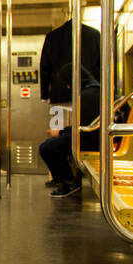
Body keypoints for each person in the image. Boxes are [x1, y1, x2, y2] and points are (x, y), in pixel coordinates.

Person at [37, 18, 101, 198]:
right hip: (87, 91)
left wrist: (45, 94)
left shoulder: (52, 37)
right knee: (68, 137)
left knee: (56, 134)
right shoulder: (94, 35)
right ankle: (75, 178)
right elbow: (102, 64)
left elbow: (45, 67)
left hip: (58, 98)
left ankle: (61, 179)